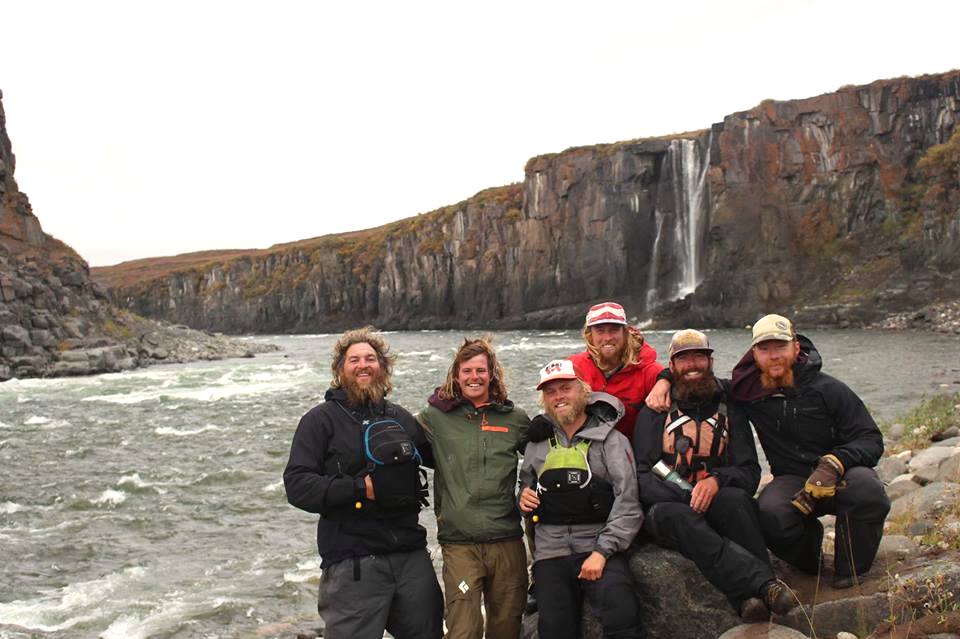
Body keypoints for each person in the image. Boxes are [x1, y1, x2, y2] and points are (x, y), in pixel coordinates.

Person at [283, 326, 443, 639]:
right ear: (339, 369)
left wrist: (457, 405)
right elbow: (297, 485)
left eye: (370, 358)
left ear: (383, 366)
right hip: (352, 562)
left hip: (410, 557)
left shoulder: (400, 417)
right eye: (354, 360)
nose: (363, 365)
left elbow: (444, 457)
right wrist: (360, 489)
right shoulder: (320, 420)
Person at [633, 329, 794, 619]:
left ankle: (750, 602)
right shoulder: (655, 410)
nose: (692, 365)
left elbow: (749, 471)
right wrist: (686, 496)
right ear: (672, 366)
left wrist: (717, 480)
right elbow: (641, 475)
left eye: (699, 357)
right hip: (668, 508)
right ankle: (765, 585)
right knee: (679, 516)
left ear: (711, 362)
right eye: (684, 359)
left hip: (715, 500)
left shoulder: (730, 407)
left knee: (735, 502)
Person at [729, 314, 890, 589]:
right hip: (792, 481)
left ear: (796, 347)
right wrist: (663, 380)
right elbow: (700, 384)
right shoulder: (747, 394)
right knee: (768, 514)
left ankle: (851, 569)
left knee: (867, 490)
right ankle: (811, 560)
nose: (773, 355)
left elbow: (870, 439)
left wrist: (835, 462)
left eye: (780, 346)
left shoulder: (829, 389)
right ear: (754, 354)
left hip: (842, 475)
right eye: (764, 349)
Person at [519, 359, 642, 639]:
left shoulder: (612, 441)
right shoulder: (536, 443)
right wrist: (522, 498)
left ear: (584, 391)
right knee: (554, 629)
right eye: (550, 392)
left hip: (599, 546)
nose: (558, 397)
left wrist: (602, 552)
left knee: (622, 613)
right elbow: (525, 486)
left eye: (566, 388)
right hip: (551, 552)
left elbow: (628, 502)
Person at [416, 338, 529, 639]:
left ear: (492, 374)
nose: (474, 377)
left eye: (481, 370)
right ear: (456, 375)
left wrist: (528, 489)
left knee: (506, 628)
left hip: (506, 538)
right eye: (467, 371)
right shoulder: (434, 417)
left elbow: (540, 460)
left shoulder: (515, 419)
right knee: (463, 630)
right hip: (459, 542)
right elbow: (399, 445)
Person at [568, 301, 664, 442]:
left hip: (632, 451)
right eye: (600, 330)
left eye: (614, 330)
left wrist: (665, 381)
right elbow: (553, 396)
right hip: (584, 449)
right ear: (589, 335)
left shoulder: (647, 370)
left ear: (625, 333)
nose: (607, 338)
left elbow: (681, 382)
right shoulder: (573, 367)